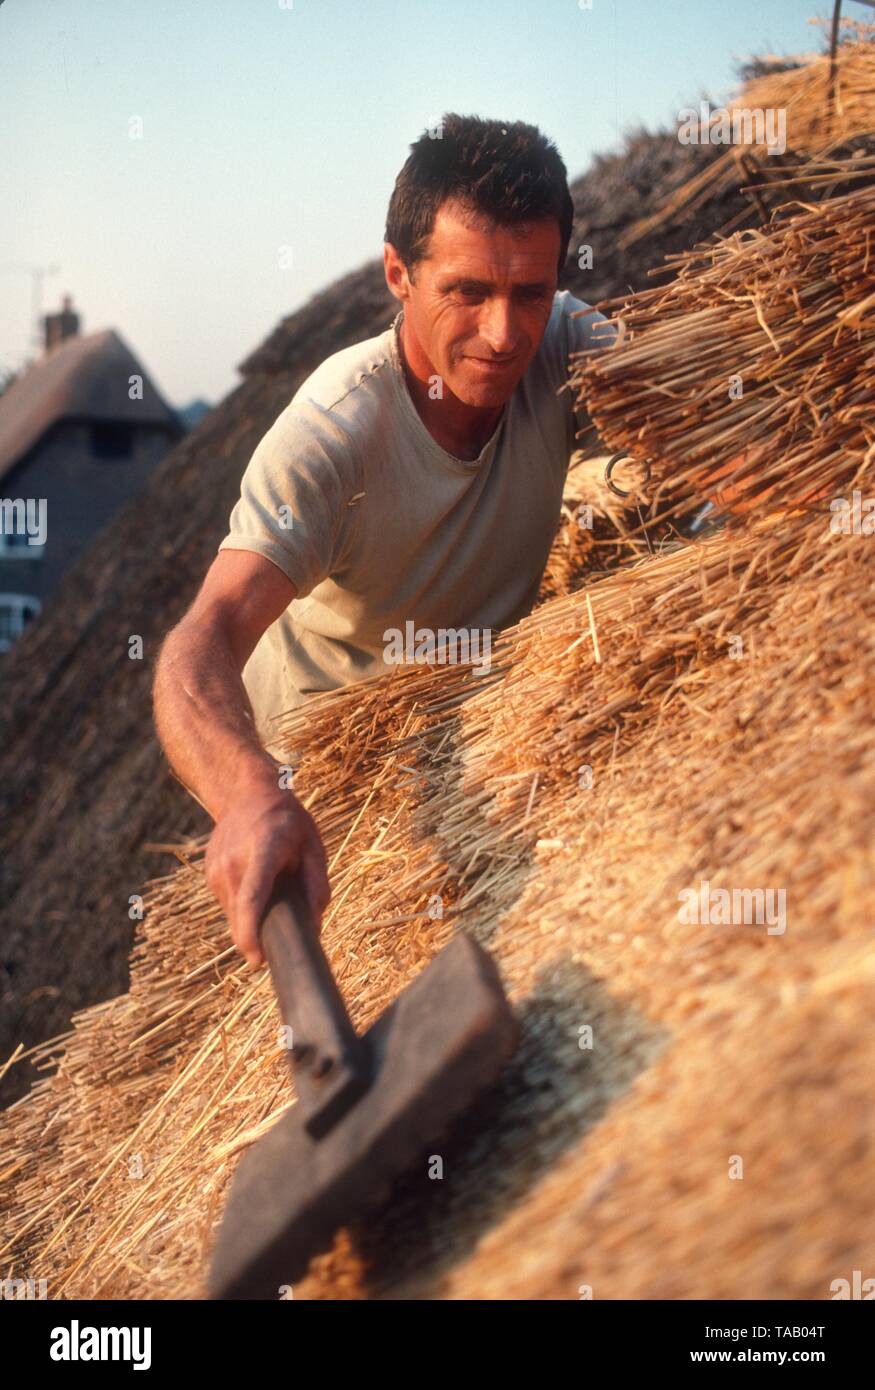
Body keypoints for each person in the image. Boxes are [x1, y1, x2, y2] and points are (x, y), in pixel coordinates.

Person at [153, 113, 614, 968]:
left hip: (479, 713)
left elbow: (706, 435)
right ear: (399, 274)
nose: (505, 333)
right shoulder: (333, 439)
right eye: (467, 292)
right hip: (330, 774)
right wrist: (253, 795)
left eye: (529, 293)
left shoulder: (565, 342)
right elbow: (200, 640)